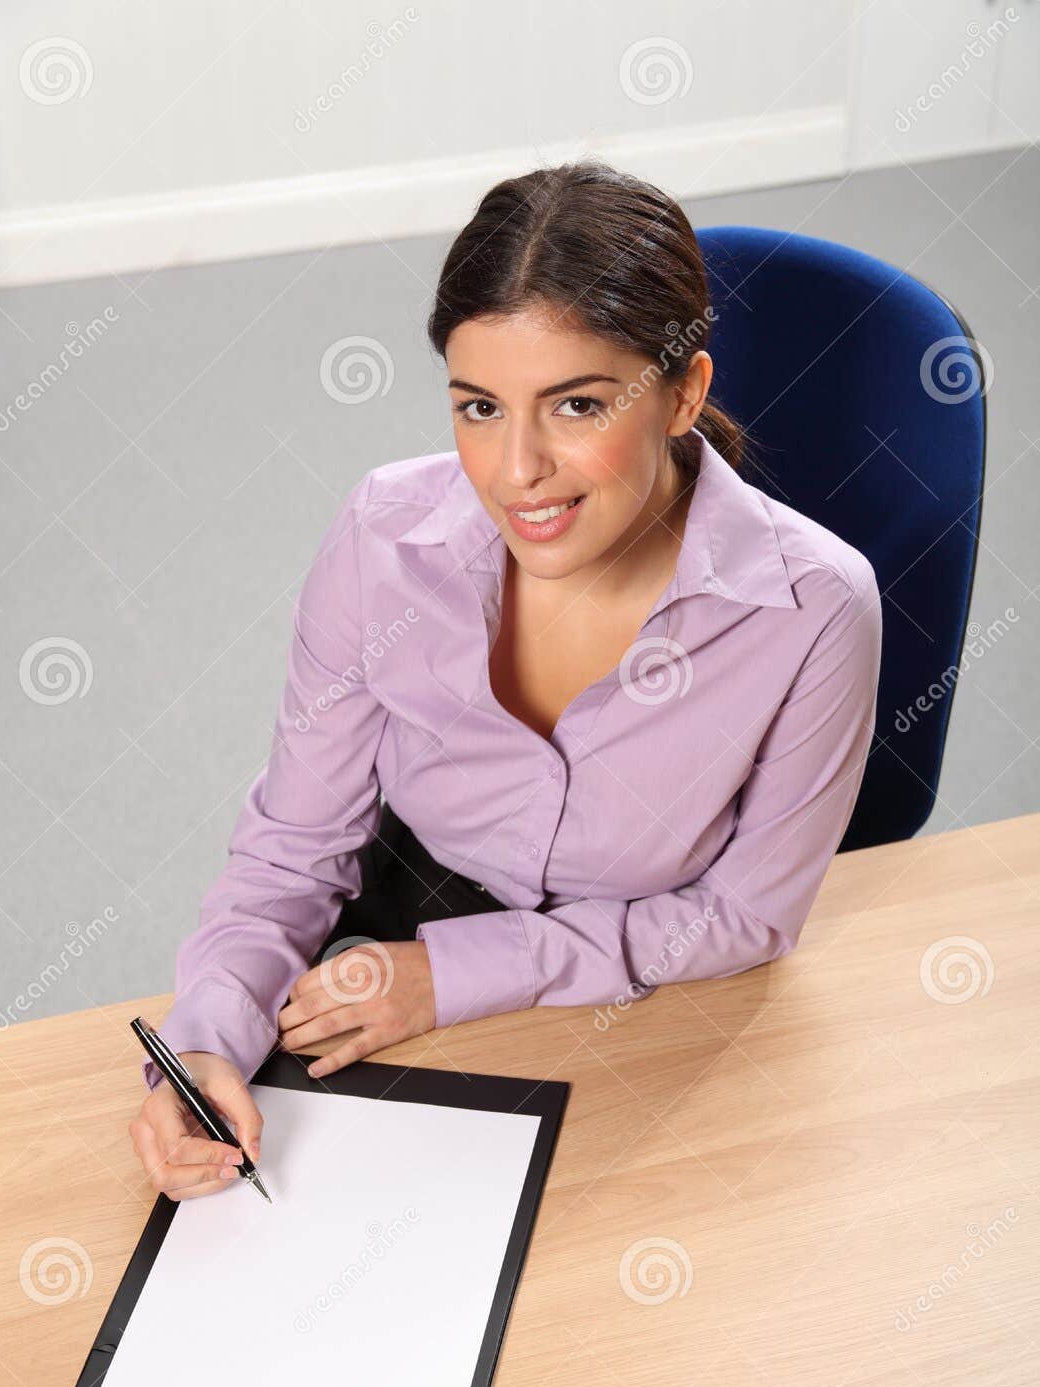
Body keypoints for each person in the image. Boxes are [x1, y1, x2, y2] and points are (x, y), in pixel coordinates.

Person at [128, 160, 881, 1199]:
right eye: (479, 407)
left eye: (576, 405)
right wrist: (206, 1040)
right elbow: (292, 850)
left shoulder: (813, 608)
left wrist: (461, 974)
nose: (515, 470)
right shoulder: (384, 537)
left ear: (682, 393)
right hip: (398, 921)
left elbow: (746, 918)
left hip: (654, 975)